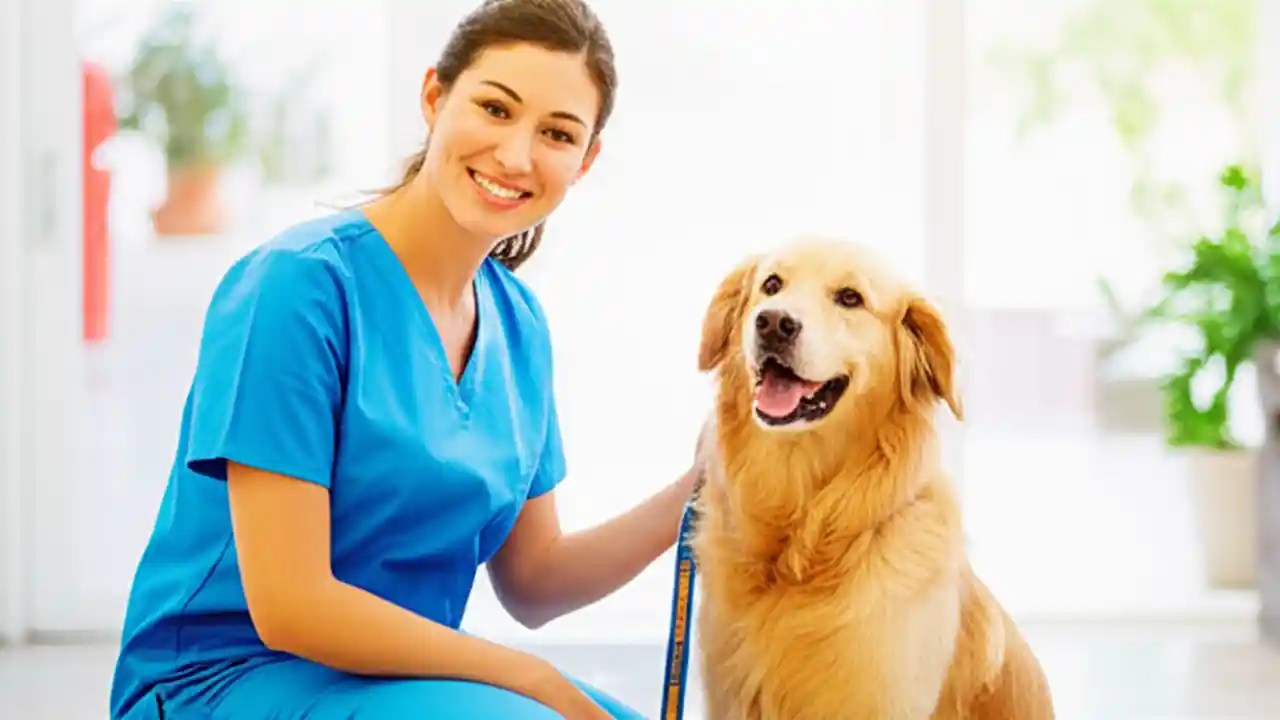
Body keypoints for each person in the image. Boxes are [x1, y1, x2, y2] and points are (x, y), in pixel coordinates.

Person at [108, 1, 703, 718]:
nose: (516, 156)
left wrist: (700, 488)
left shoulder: (518, 326)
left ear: (586, 160)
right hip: (221, 681)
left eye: (556, 133)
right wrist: (530, 678)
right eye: (494, 108)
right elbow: (292, 606)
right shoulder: (296, 288)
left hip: (390, 685)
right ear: (433, 97)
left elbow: (536, 581)